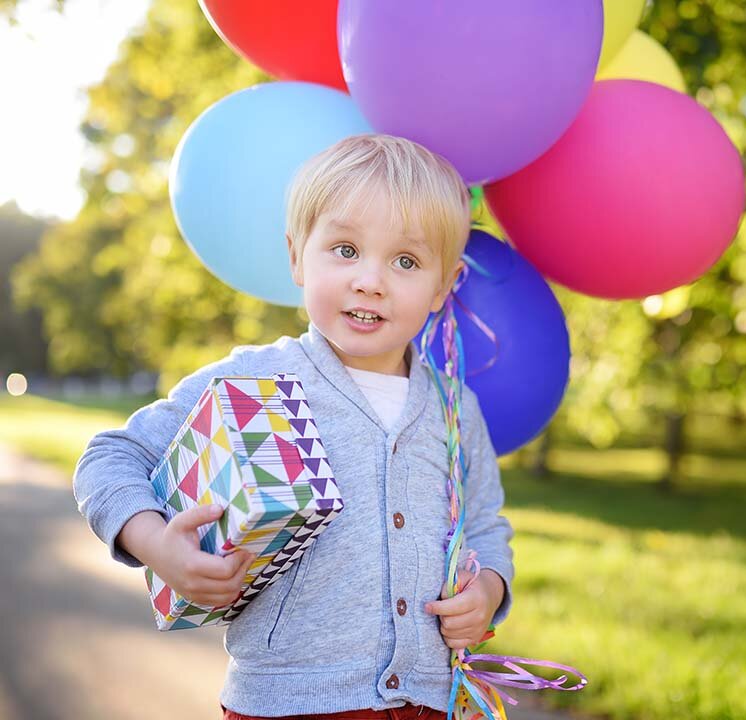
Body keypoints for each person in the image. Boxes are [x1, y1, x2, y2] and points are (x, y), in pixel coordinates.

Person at [73, 134, 515, 720]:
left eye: (405, 261)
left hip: (432, 701)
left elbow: (485, 522)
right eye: (345, 249)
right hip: (289, 704)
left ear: (442, 285)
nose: (370, 280)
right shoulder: (256, 379)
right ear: (296, 257)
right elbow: (110, 455)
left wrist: (488, 591)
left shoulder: (456, 410)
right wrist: (157, 546)